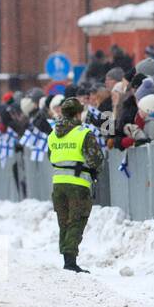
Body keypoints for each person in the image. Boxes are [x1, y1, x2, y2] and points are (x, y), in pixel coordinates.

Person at [47, 97, 104, 273]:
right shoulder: (83, 133)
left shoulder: (53, 134)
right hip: (78, 184)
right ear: (79, 113)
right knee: (76, 221)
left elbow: (51, 156)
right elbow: (96, 159)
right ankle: (70, 261)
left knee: (63, 221)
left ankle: (66, 256)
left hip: (58, 184)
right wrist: (94, 171)